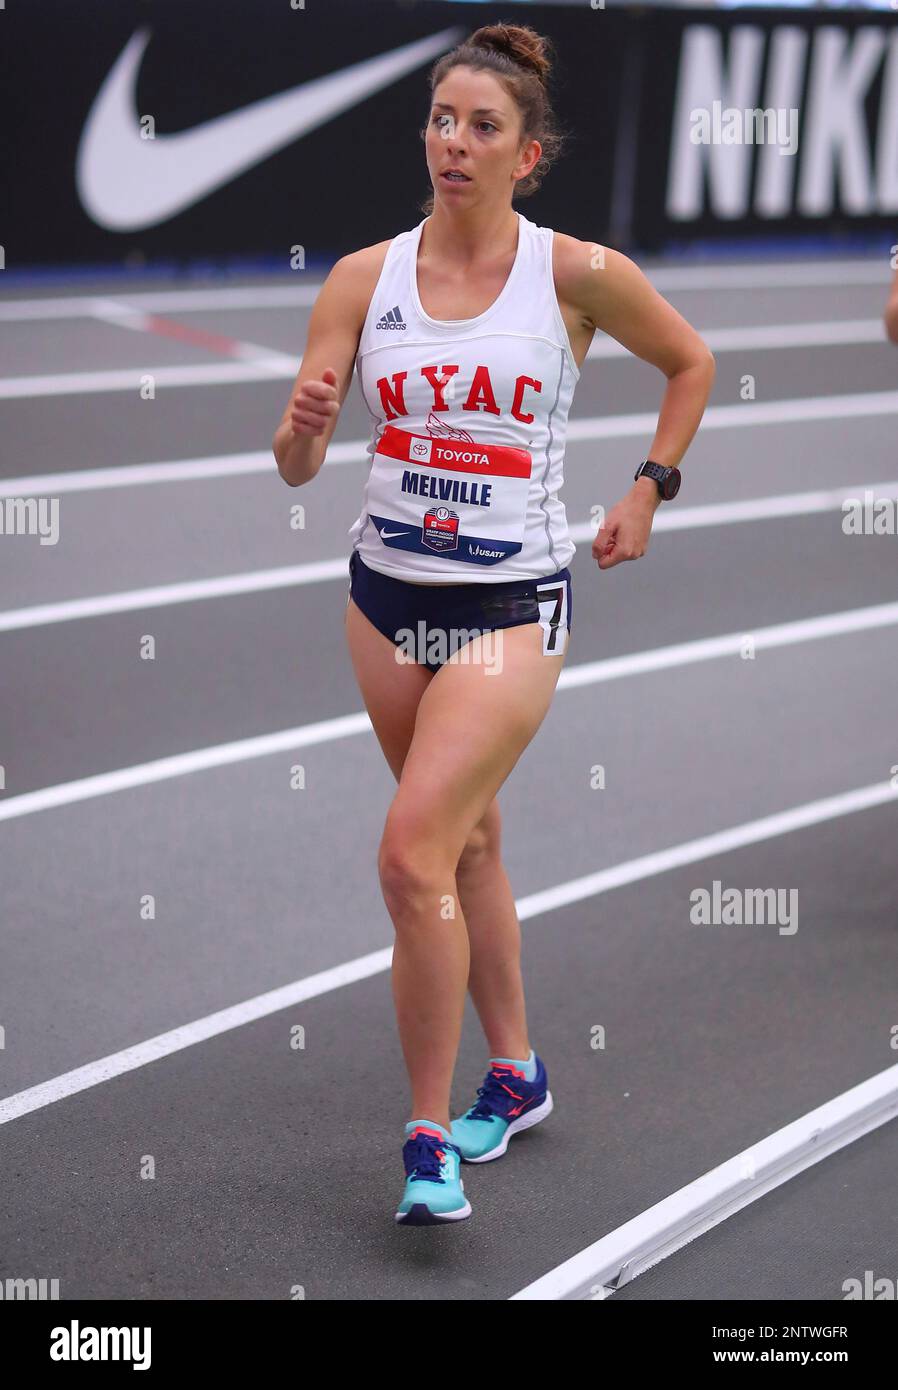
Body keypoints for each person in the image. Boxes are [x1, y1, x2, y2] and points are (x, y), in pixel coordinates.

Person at [272, 22, 715, 1226]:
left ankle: (427, 1139)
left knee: (412, 851)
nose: (453, 144)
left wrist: (645, 488)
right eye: (440, 120)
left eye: (482, 127)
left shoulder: (574, 274)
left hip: (512, 602)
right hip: (385, 595)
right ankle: (517, 1073)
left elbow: (690, 363)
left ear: (529, 154)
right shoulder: (363, 279)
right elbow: (296, 467)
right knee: (465, 846)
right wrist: (307, 421)